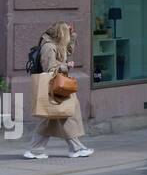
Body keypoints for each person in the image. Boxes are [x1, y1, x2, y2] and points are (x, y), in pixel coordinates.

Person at [23, 22, 94, 159]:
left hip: (59, 87)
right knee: (67, 114)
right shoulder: (49, 47)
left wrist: (72, 36)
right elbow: (49, 69)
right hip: (55, 88)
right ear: (61, 35)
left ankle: (35, 150)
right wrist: (65, 66)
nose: (67, 38)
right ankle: (76, 148)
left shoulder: (55, 45)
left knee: (53, 120)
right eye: (66, 35)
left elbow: (66, 52)